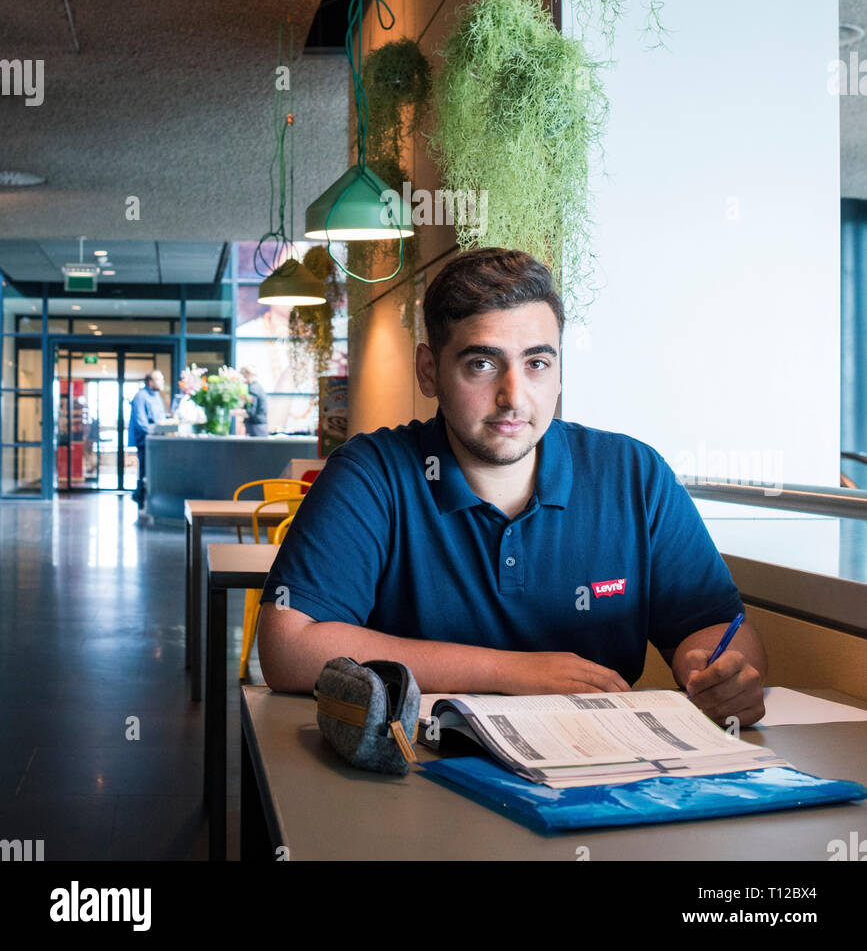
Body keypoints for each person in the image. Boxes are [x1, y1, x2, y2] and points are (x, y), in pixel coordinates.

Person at [257, 248, 767, 729]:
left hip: (600, 771)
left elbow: (719, 626)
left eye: (537, 363)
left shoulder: (635, 475)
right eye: (482, 364)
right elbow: (289, 647)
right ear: (429, 370)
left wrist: (727, 673)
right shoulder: (371, 474)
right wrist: (511, 672)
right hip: (419, 772)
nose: (513, 397)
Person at [129, 370, 166, 515]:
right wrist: (155, 430)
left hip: (157, 442)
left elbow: (160, 418)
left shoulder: (157, 397)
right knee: (145, 472)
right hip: (145, 443)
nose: (162, 382)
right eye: (159, 379)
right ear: (150, 381)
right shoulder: (140, 396)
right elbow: (141, 423)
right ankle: (140, 500)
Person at [240, 366, 269, 437]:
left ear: (248, 375)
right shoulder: (257, 387)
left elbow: (250, 412)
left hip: (256, 427)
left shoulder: (253, 389)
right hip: (259, 426)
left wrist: (234, 412)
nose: (242, 379)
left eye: (243, 376)